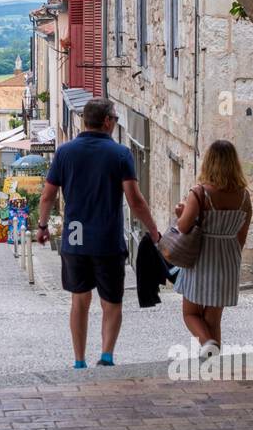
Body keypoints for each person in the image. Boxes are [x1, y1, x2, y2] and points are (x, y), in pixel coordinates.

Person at [36, 98, 161, 369]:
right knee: (111, 301)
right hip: (107, 239)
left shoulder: (65, 152)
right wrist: (153, 230)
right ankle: (106, 356)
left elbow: (47, 196)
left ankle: (79, 360)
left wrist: (43, 227)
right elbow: (135, 199)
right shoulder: (120, 154)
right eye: (115, 119)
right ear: (106, 121)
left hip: (75, 237)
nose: (115, 123)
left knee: (79, 300)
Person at [173, 140, 253, 362]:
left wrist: (180, 212)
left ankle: (207, 343)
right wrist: (228, 254)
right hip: (228, 259)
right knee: (213, 319)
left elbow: (183, 227)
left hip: (201, 258)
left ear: (209, 163)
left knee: (190, 313)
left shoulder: (200, 193)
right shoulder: (244, 197)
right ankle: (213, 360)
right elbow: (242, 235)